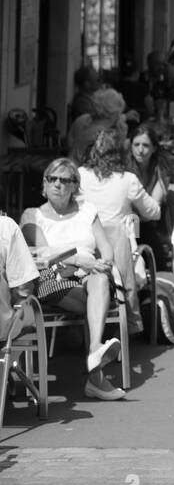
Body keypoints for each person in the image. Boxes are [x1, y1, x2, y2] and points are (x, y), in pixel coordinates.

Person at [20, 159, 128, 400]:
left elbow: (106, 249)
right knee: (95, 298)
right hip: (54, 277)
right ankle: (96, 378)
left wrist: (104, 263)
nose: (58, 184)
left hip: (90, 274)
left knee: (99, 280)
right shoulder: (33, 216)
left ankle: (94, 351)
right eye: (53, 179)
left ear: (74, 186)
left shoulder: (87, 211)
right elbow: (45, 253)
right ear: (45, 184)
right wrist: (79, 260)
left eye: (65, 180)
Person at [77, 128, 162, 336]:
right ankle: (129, 320)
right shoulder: (127, 179)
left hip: (83, 248)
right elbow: (154, 212)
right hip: (119, 254)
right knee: (135, 256)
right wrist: (159, 191)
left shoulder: (79, 175)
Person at [128, 125, 173, 270]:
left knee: (144, 230)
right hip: (129, 221)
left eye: (146, 145)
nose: (140, 150)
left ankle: (156, 278)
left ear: (154, 148)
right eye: (136, 145)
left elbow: (154, 206)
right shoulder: (125, 167)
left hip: (151, 221)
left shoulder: (160, 168)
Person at [0, 202, 38, 349]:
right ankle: (8, 369)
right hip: (3, 327)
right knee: (27, 306)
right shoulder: (5, 226)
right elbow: (23, 288)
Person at [67, 87, 131, 167]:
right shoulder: (103, 134)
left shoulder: (88, 124)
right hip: (82, 174)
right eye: (119, 113)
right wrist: (121, 139)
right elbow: (112, 163)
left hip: (74, 169)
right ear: (113, 114)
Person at [139, 51, 170, 119]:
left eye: (163, 64)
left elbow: (167, 102)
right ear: (149, 63)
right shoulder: (140, 79)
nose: (161, 67)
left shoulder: (165, 80)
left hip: (159, 119)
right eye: (158, 64)